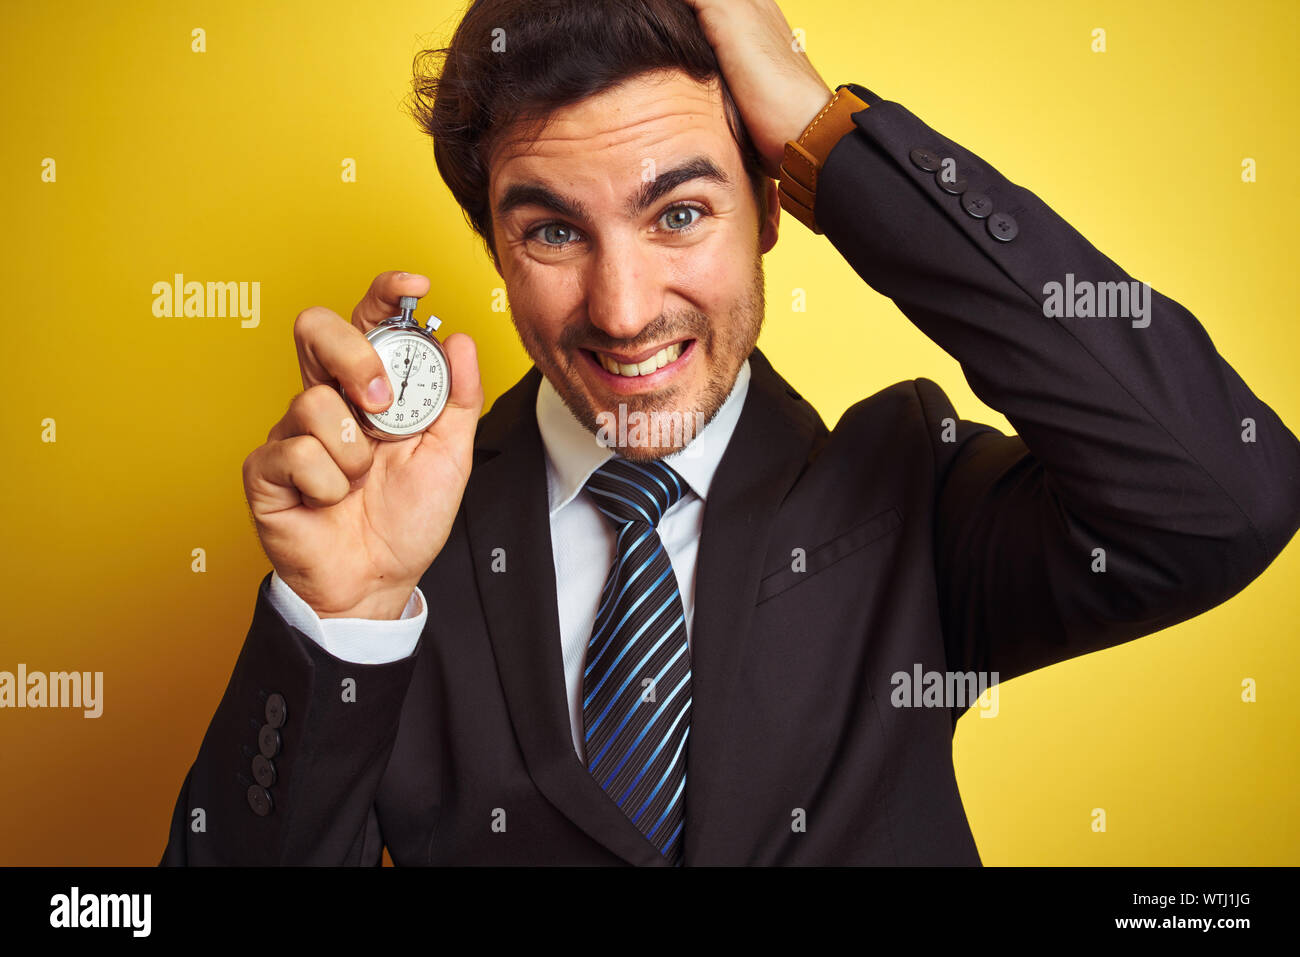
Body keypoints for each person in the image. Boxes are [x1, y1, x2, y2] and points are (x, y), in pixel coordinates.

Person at [161, 0, 1300, 865]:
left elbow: (1222, 493)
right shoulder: (403, 550)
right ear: (497, 252)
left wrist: (831, 138)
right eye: (553, 232)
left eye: (681, 213)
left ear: (773, 209)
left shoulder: (907, 494)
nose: (621, 307)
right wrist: (342, 627)